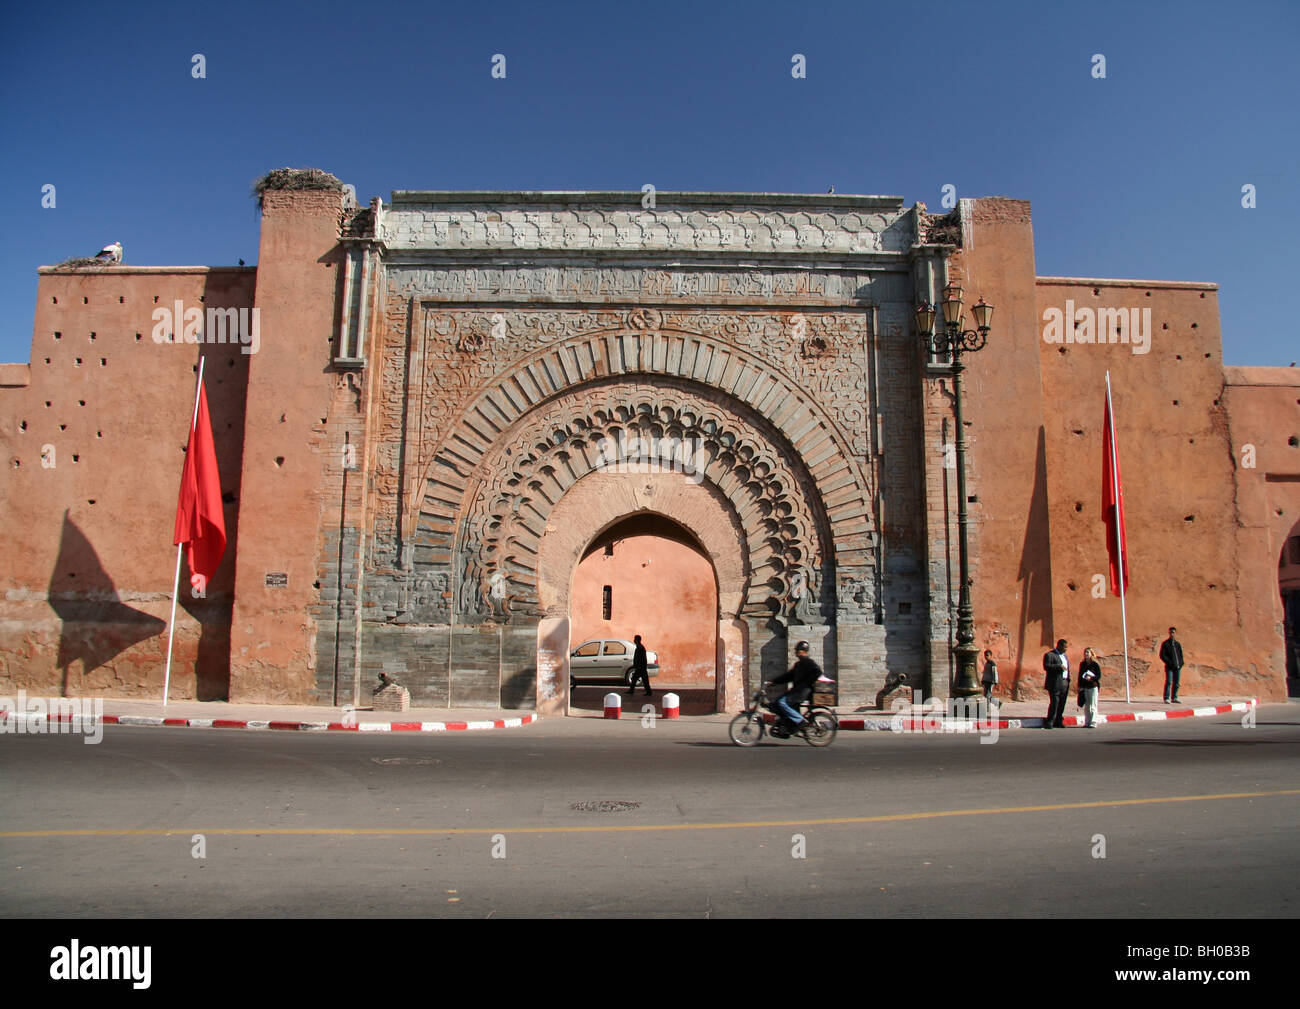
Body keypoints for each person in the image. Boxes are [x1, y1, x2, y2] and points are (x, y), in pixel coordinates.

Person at [767, 640, 823, 736]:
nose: (797, 652)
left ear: (804, 651)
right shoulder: (799, 664)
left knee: (782, 702)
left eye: (799, 650)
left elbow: (817, 672)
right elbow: (789, 676)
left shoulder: (808, 662)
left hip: (803, 691)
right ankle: (789, 725)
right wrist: (774, 682)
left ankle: (800, 721)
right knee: (777, 702)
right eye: (797, 650)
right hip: (797, 691)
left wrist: (806, 683)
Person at [1042, 639, 1070, 728]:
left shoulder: (1065, 656)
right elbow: (1046, 666)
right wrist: (1059, 667)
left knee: (1062, 703)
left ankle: (1058, 721)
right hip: (1055, 683)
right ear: (1059, 646)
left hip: (1064, 682)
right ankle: (1050, 721)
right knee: (1055, 702)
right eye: (1065, 647)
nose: (1066, 649)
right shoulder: (1050, 655)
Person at [1077, 646, 1102, 728]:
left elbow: (1099, 676)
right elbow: (1080, 676)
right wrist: (1080, 686)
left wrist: (1091, 678)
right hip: (1085, 687)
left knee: (1093, 705)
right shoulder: (1082, 664)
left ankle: (1094, 721)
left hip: (1093, 686)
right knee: (1087, 705)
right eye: (1085, 652)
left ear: (1091, 654)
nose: (1086, 654)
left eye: (1088, 652)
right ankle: (1087, 722)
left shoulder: (1095, 664)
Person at [1159, 627, 1184, 703]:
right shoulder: (1166, 644)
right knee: (1169, 682)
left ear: (1175, 633)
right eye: (1170, 632)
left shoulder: (1177, 644)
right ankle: (1166, 698)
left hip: (1178, 667)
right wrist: (1169, 663)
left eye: (1173, 632)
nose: (1172, 634)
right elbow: (1162, 655)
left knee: (1176, 683)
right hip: (1169, 667)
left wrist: (1181, 663)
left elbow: (1180, 655)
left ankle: (1174, 697)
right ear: (1169, 633)